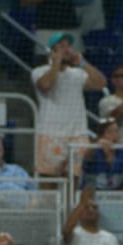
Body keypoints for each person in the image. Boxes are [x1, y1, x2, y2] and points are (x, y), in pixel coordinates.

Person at [33, 33, 106, 176]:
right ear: (52, 51)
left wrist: (82, 62)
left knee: (75, 179)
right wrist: (56, 64)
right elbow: (45, 85)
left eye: (68, 46)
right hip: (50, 133)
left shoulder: (77, 74)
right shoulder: (38, 71)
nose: (66, 49)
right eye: (61, 46)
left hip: (78, 134)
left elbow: (101, 83)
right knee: (49, 180)